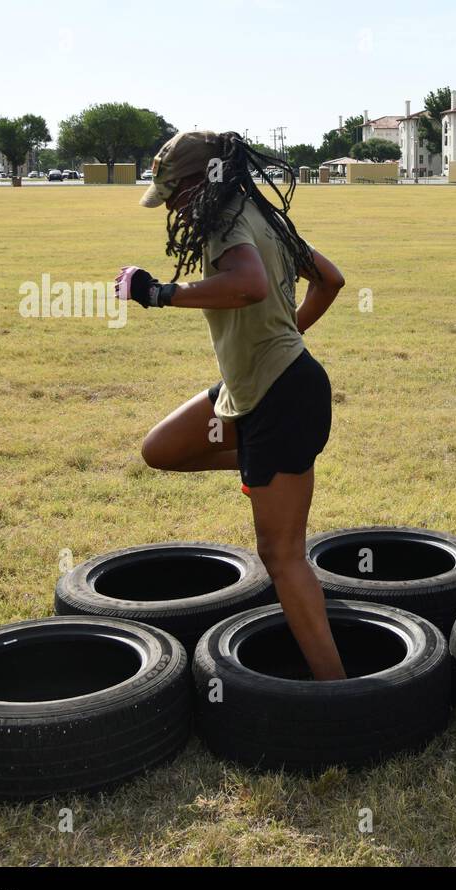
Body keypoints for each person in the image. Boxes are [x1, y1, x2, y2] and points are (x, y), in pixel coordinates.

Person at [114, 130, 348, 680]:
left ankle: (341, 695)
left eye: (173, 192)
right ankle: (258, 464)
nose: (169, 205)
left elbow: (247, 285)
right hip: (264, 389)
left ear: (200, 182)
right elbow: (331, 281)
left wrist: (160, 293)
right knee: (161, 449)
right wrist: (287, 334)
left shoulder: (223, 221)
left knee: (282, 555)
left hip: (282, 397)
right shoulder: (265, 217)